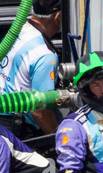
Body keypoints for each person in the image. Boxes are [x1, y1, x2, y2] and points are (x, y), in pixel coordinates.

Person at [0, 0, 61, 136]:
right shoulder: (45, 55)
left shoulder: (21, 28)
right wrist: (58, 138)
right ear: (57, 17)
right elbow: (39, 111)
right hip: (14, 125)